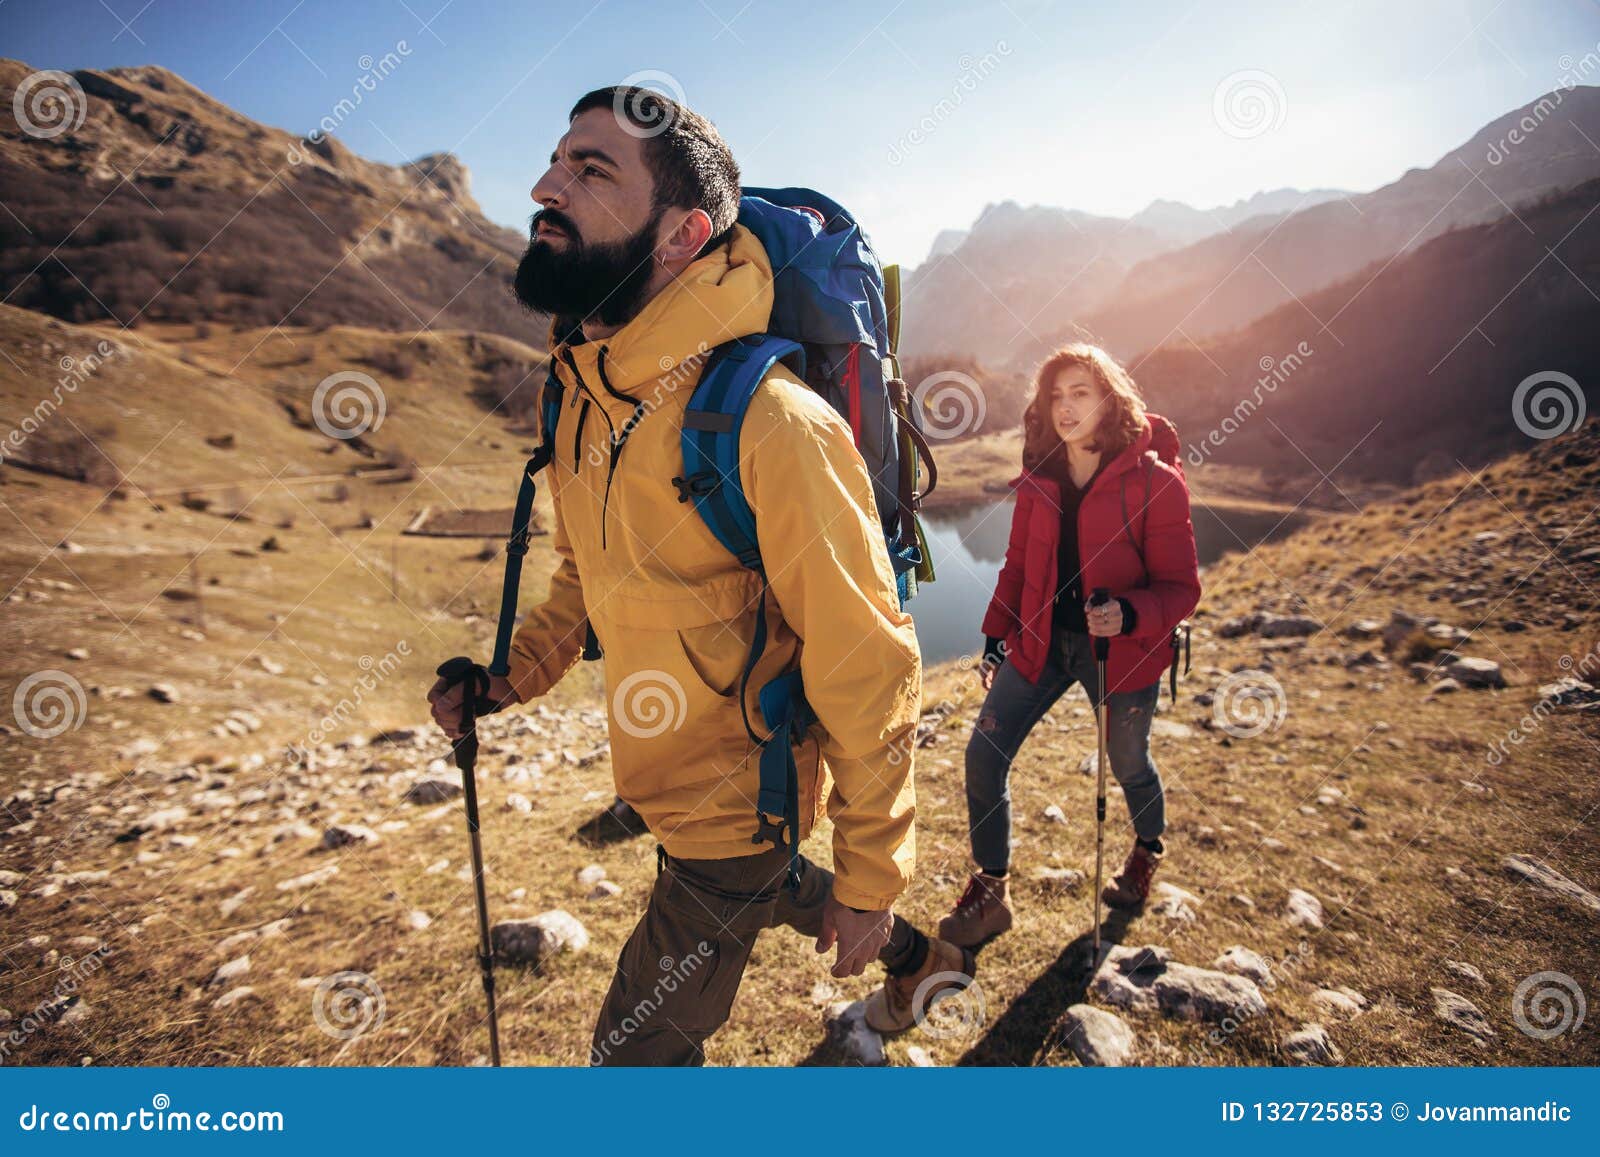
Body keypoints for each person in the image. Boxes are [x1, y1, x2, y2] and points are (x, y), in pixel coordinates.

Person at [428, 86, 973, 1063]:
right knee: (764, 880)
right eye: (558, 160)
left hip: (738, 793)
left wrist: (873, 868)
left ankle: (883, 928)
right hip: (664, 778)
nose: (545, 186)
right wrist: (514, 672)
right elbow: (583, 574)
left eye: (591, 170)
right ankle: (921, 955)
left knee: (632, 1053)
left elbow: (868, 662)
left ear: (682, 233)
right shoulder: (580, 394)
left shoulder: (772, 423)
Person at [938, 343, 1201, 947]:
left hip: (1123, 652)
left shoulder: (1155, 484)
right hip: (1040, 643)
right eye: (1056, 395)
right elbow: (1018, 563)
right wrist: (994, 633)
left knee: (1129, 762)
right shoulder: (1041, 476)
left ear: (1109, 399)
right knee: (984, 753)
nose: (1065, 406)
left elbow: (1182, 587)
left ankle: (1145, 850)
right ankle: (992, 890)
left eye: (1080, 392)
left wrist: (1131, 612)